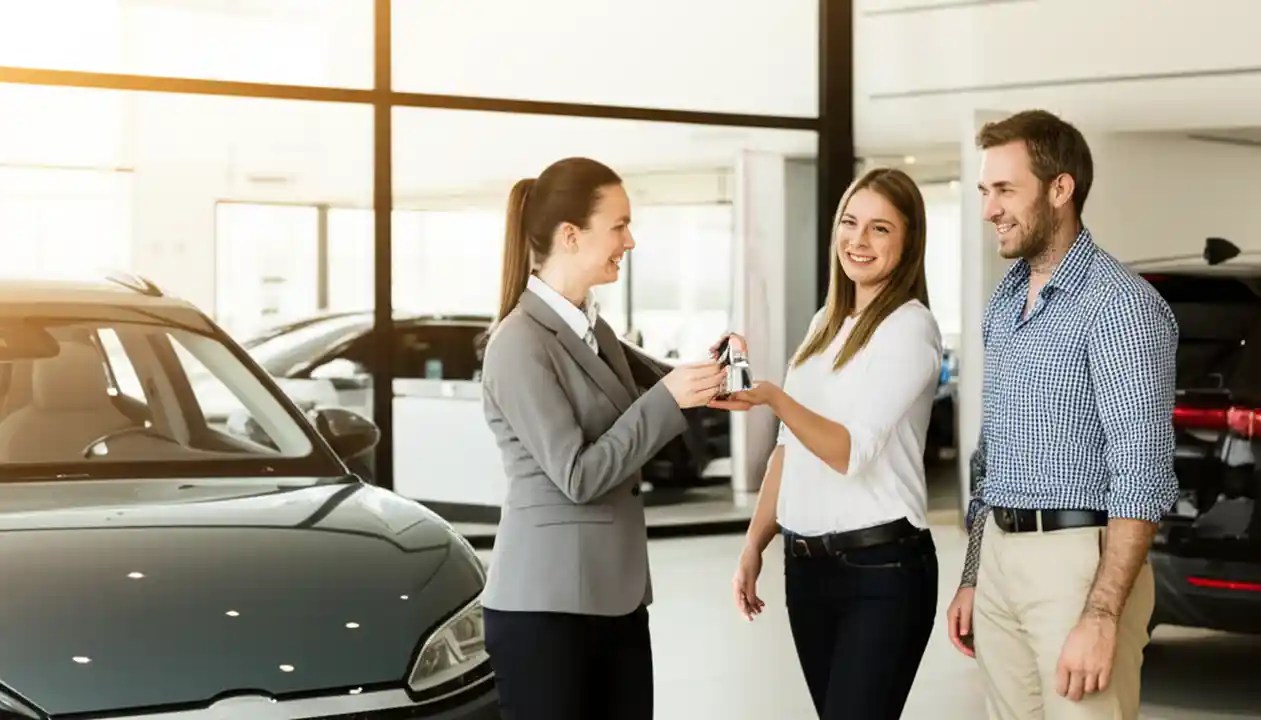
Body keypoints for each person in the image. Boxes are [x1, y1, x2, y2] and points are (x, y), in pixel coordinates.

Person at [944, 110, 1179, 720]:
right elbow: (990, 455)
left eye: (1004, 190)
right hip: (999, 554)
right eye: (983, 191)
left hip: (1078, 563)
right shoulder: (1004, 301)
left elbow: (1143, 475)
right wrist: (974, 572)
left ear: (1060, 189)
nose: (988, 209)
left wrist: (1101, 616)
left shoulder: (1122, 307)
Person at [478, 157, 726, 720]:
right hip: (546, 610)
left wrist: (711, 370)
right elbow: (578, 475)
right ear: (570, 235)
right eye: (619, 225)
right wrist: (670, 398)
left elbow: (658, 388)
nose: (630, 241)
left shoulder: (594, 329)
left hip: (612, 599)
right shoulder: (519, 343)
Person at [714, 167, 943, 719]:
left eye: (880, 229)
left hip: (882, 570)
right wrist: (753, 544)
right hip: (809, 569)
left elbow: (850, 452)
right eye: (850, 222)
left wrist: (772, 396)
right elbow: (789, 449)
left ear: (909, 241)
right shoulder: (825, 323)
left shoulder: (910, 327)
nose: (858, 241)